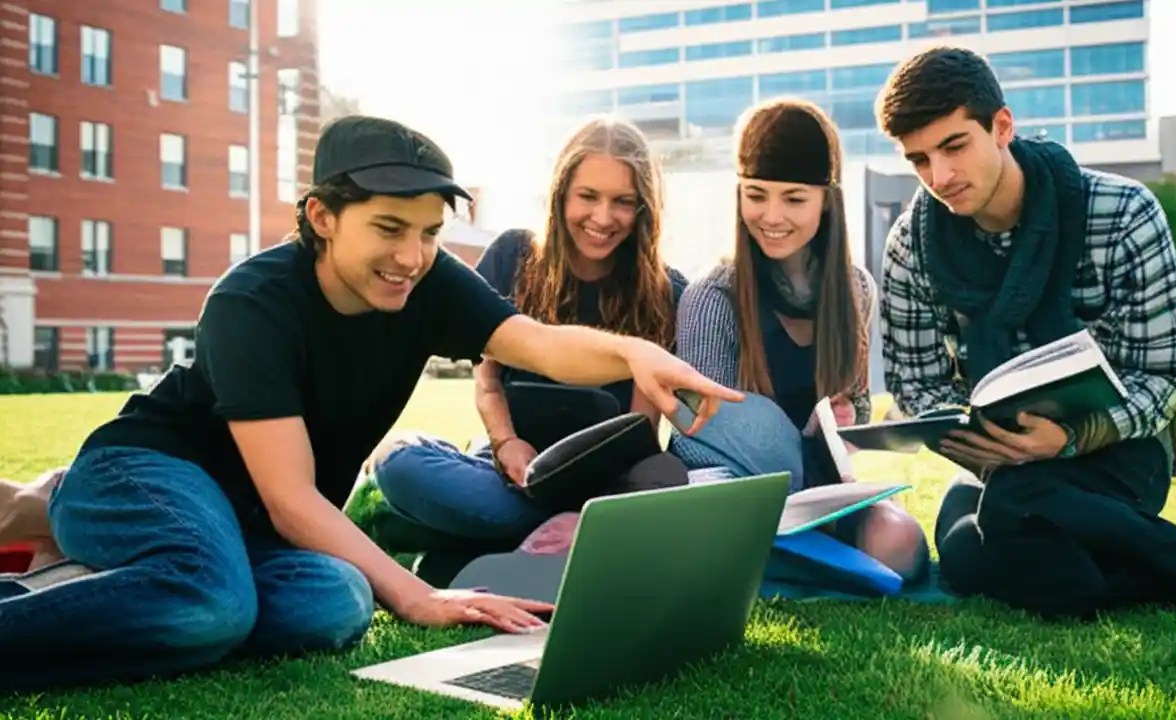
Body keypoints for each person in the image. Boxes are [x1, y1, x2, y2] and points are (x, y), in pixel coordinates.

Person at [0, 114, 742, 691]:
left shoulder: (428, 286)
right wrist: (419, 596)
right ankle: (123, 566)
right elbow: (292, 498)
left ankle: (112, 580)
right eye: (389, 228)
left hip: (252, 527)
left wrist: (635, 354)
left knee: (336, 606)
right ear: (322, 216)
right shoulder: (252, 303)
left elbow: (540, 345)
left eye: (428, 232)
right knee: (215, 605)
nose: (413, 257)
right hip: (152, 471)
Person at [874, 46, 1176, 618]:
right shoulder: (911, 243)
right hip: (998, 466)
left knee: (1010, 508)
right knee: (967, 551)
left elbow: (1165, 378)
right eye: (919, 160)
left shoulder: (1123, 213)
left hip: (1121, 453)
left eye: (954, 146)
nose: (939, 176)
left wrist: (1068, 440)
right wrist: (988, 447)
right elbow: (917, 385)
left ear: (1002, 127)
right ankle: (1140, 572)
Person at [348, 116, 688, 574]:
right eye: (588, 196)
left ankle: (469, 545)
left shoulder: (664, 290)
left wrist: (597, 498)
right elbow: (487, 378)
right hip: (506, 472)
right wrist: (507, 444)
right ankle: (571, 538)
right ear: (561, 193)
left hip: (606, 484)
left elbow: (640, 431)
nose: (603, 218)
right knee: (402, 463)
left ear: (643, 208)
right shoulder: (513, 256)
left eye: (623, 202)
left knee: (666, 478)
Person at [669, 98, 928, 580]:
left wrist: (842, 423)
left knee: (902, 546)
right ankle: (786, 554)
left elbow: (857, 410)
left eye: (794, 199)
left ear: (826, 201)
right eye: (756, 194)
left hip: (818, 488)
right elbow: (695, 437)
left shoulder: (855, 289)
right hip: (732, 486)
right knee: (716, 531)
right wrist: (790, 450)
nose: (771, 216)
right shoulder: (713, 296)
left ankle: (790, 556)